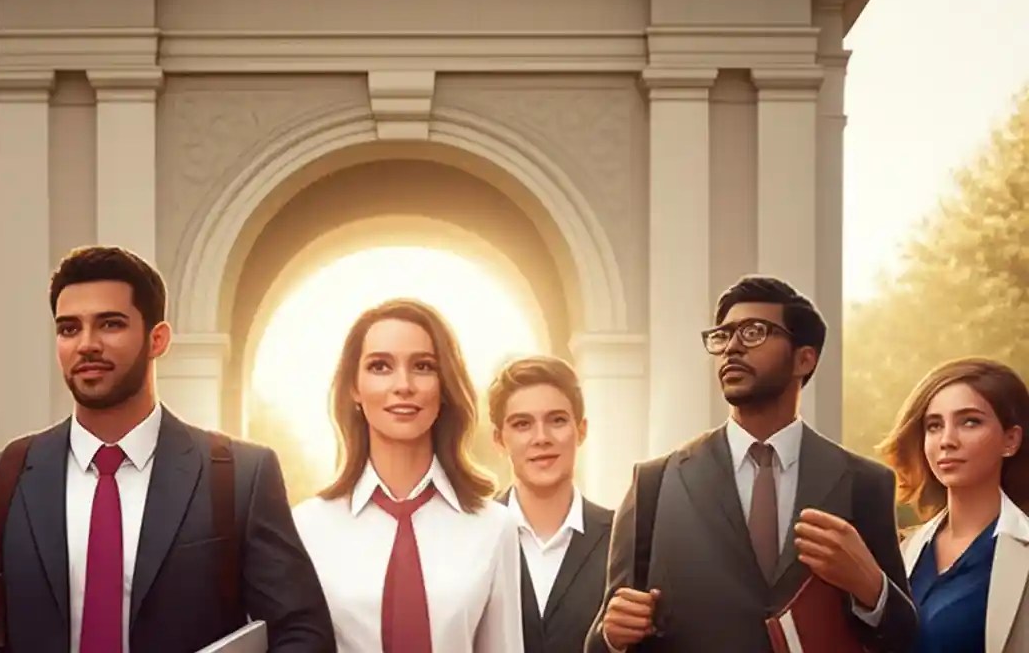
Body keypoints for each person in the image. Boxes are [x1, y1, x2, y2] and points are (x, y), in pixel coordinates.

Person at [0, 245, 335, 653]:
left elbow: (303, 633)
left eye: (110, 324)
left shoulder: (240, 475)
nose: (86, 344)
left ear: (158, 339)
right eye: (69, 328)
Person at [586, 274, 918, 652]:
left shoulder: (865, 483)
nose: (732, 348)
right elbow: (603, 638)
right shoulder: (655, 484)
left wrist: (871, 589)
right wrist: (611, 638)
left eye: (754, 332)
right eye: (723, 336)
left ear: (803, 358)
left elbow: (904, 636)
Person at [291, 298, 523, 652]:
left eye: (424, 366)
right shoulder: (307, 527)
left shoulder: (494, 527)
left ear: (444, 386)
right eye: (380, 366)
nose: (403, 385)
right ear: (354, 387)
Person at [879, 357, 1029, 653]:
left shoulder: (1021, 550)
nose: (947, 440)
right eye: (934, 426)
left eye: (969, 422)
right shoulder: (904, 552)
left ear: (1010, 440)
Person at [488, 354, 614, 653]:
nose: (541, 438)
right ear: (499, 439)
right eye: (522, 424)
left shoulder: (624, 538)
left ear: (581, 430)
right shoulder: (470, 536)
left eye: (556, 420)